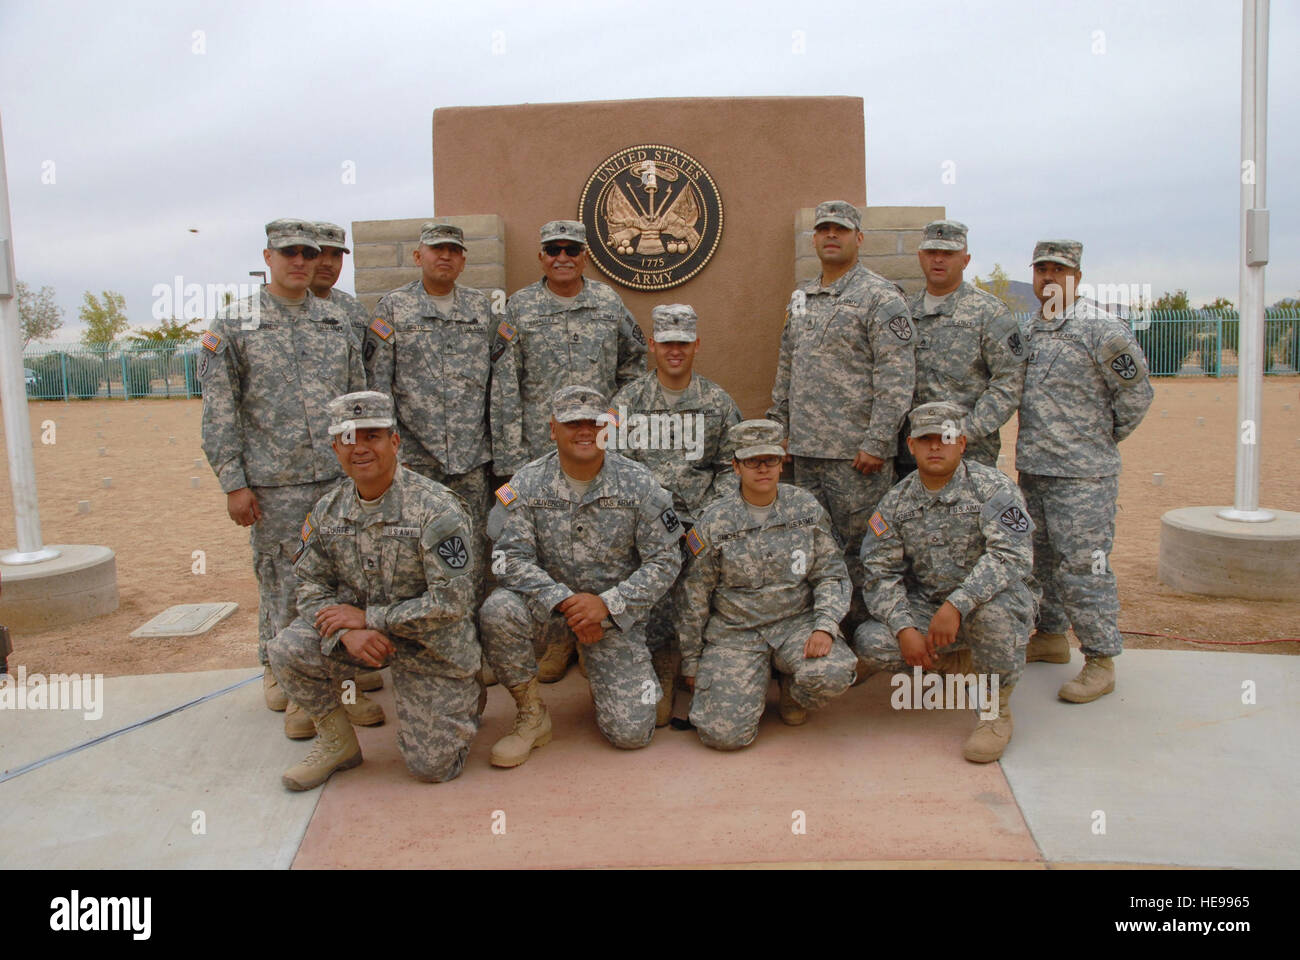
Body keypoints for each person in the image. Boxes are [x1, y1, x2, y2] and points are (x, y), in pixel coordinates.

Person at [199, 218, 379, 738]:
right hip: (274, 484)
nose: (301, 262)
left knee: (346, 581)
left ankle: (342, 687)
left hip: (337, 480)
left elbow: (355, 405)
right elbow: (219, 411)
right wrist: (234, 482)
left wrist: (365, 470)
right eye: (290, 253)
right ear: (268, 257)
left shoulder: (334, 322)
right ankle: (297, 689)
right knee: (285, 582)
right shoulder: (234, 325)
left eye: (309, 253)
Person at [269, 391, 481, 790]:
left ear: (394, 441)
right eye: (348, 438)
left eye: (372, 436)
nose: (360, 448)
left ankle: (462, 697)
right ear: (335, 448)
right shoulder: (327, 511)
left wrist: (370, 618)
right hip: (363, 639)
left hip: (431, 645)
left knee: (432, 768)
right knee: (286, 648)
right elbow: (310, 584)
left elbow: (451, 603)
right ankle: (338, 744)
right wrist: (348, 631)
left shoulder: (437, 509)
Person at [479, 385, 681, 767]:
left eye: (595, 422)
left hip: (613, 619)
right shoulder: (525, 484)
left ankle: (615, 669)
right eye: (573, 423)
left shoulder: (639, 483)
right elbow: (506, 558)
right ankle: (531, 714)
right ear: (553, 429)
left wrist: (606, 604)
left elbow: (665, 561)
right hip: (550, 613)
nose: (585, 430)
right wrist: (567, 602)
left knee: (632, 733)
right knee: (498, 610)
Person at [490, 220, 648, 680]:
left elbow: (635, 365)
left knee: (599, 543)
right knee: (548, 550)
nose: (563, 257)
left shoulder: (607, 303)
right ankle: (557, 640)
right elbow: (504, 386)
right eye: (553, 249)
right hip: (539, 455)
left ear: (585, 256)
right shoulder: (519, 308)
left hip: (595, 450)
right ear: (541, 256)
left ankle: (599, 629)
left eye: (572, 250)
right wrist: (509, 459)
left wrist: (616, 426)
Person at [854, 402, 1037, 762]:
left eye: (946, 438)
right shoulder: (895, 503)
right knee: (872, 640)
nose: (936, 446)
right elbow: (879, 573)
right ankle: (962, 663)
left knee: (993, 618)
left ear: (963, 443)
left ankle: (994, 711)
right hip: (931, 607)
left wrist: (959, 603)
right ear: (911, 446)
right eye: (926, 440)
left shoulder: (994, 488)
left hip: (992, 600)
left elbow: (1013, 555)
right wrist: (905, 626)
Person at [768, 200, 915, 631]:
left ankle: (861, 632)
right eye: (824, 229)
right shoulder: (802, 298)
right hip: (805, 454)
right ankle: (821, 626)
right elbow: (787, 368)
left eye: (842, 229)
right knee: (813, 545)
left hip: (857, 458)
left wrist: (877, 442)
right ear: (814, 239)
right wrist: (780, 431)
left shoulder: (880, 297)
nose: (832, 235)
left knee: (862, 549)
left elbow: (896, 377)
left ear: (859, 238)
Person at [1017, 240, 1153, 702]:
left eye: (1059, 269)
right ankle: (1051, 637)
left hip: (1084, 477)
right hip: (1035, 469)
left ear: (1077, 276)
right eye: (1041, 269)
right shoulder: (1030, 330)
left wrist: (1099, 440)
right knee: (1040, 561)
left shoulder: (1101, 329)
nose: (1049, 277)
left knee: (1084, 567)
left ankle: (1100, 658)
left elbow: (1136, 395)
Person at [364, 222, 495, 681]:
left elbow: (498, 386)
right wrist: (387, 456)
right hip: (415, 464)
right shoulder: (393, 309)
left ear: (463, 259)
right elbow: (378, 387)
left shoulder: (481, 310)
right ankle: (414, 648)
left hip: (471, 461)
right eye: (437, 249)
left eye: (455, 251)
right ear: (418, 256)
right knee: (412, 560)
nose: (446, 257)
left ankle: (471, 648)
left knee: (470, 557)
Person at [679, 419, 857, 750]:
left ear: (781, 461)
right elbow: (694, 595)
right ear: (736, 466)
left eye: (770, 460)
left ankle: (794, 688)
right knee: (723, 737)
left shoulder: (804, 508)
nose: (763, 468)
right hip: (737, 632)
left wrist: (825, 626)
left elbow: (830, 572)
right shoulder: (715, 521)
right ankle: (753, 681)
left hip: (796, 625)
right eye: (752, 461)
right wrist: (691, 659)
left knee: (832, 673)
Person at [607, 303, 742, 725]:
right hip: (643, 524)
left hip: (700, 519)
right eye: (667, 343)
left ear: (696, 344)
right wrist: (640, 519)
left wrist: (711, 516)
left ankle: (703, 664)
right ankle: (662, 664)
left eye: (683, 343)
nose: (675, 351)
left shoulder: (717, 402)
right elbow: (611, 465)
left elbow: (730, 466)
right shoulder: (628, 401)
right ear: (653, 344)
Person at [903, 220, 1026, 470]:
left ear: (966, 260)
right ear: (920, 256)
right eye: (931, 253)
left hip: (969, 454)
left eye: (948, 254)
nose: (938, 260)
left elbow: (1010, 380)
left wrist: (967, 430)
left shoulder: (989, 313)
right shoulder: (904, 310)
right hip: (912, 453)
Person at [308, 221, 371, 345]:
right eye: (320, 253)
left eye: (336, 255)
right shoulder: (259, 307)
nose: (328, 263)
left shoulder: (354, 309)